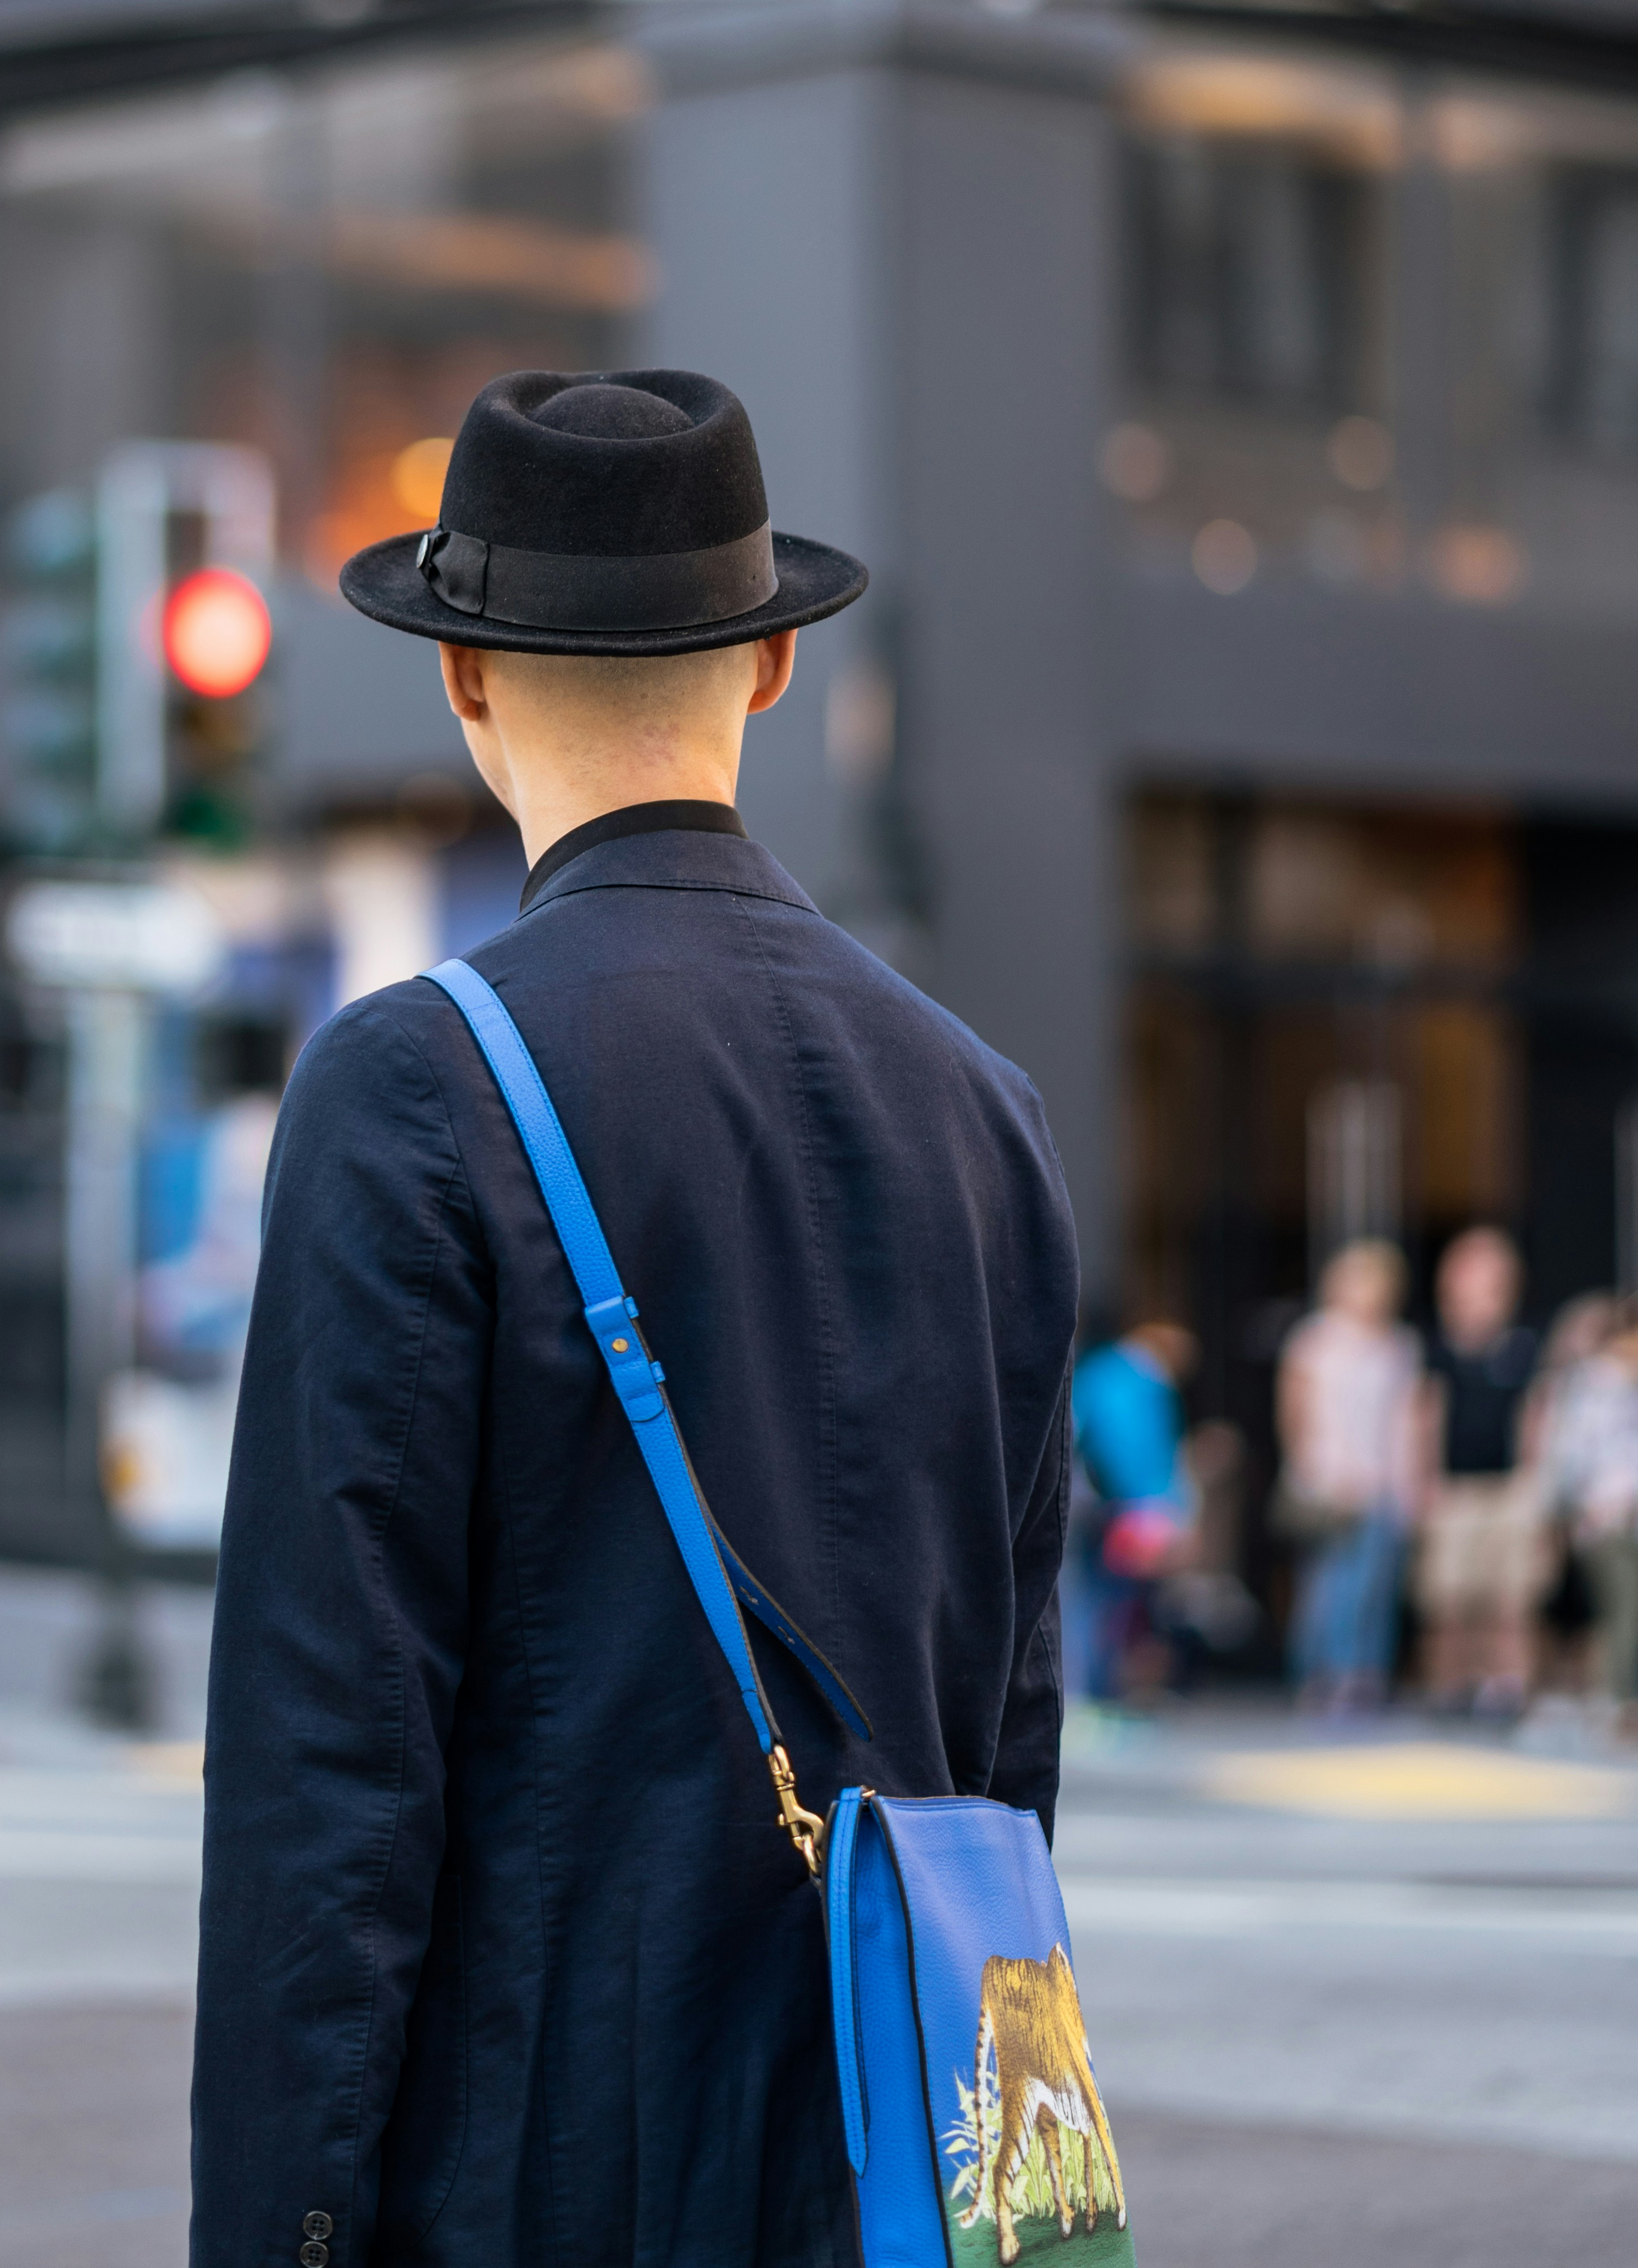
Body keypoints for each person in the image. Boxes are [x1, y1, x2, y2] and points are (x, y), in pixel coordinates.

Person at [190, 370, 1079, 2268]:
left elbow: (326, 1773)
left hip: (542, 2175)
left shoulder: (412, 1087)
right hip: (904, 2173)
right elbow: (1008, 1751)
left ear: (464, 680)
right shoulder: (983, 1108)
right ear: (767, 668)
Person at [1275, 1239, 1420, 1710]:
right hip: (1330, 1483)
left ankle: (1364, 1676)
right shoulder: (1315, 1339)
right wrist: (1312, 1471)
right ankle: (1320, 1675)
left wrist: (1408, 1486)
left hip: (1382, 1483)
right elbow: (1294, 1413)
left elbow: (1406, 1420)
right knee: (1331, 1586)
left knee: (1375, 1587)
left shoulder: (1398, 1344)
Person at [1413, 1225, 1543, 1719]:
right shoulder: (1437, 1347)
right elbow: (1424, 1417)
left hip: (1509, 1489)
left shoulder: (1524, 1344)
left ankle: (1507, 1689)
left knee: (1510, 1600)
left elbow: (1536, 1418)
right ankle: (1450, 1689)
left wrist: (1536, 1487)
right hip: (1453, 1489)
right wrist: (1422, 1484)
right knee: (1449, 1599)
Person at [1064, 1318, 1197, 1703]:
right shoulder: (1140, 1383)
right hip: (1121, 1512)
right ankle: (1094, 1689)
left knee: (1089, 1598)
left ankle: (1086, 1688)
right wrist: (1164, 1506)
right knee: (1112, 1603)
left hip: (1088, 1504)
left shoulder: (1099, 1372)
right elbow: (1135, 1454)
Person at [1543, 1297, 1638, 1725]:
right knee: (1628, 1606)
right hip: (1607, 1519)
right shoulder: (1594, 1386)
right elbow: (1571, 1456)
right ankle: (1616, 1700)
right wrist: (1568, 1511)